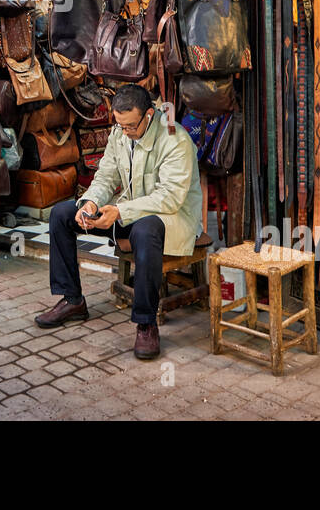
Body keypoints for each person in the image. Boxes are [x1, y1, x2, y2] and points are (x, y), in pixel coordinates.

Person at [34, 83, 203, 361]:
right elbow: (106, 177)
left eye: (131, 126)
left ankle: (146, 323)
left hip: (170, 220)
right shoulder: (120, 133)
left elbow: (170, 198)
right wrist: (90, 202)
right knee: (62, 214)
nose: (125, 132)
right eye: (120, 125)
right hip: (127, 210)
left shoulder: (176, 139)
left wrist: (120, 211)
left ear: (149, 115)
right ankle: (73, 300)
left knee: (146, 229)